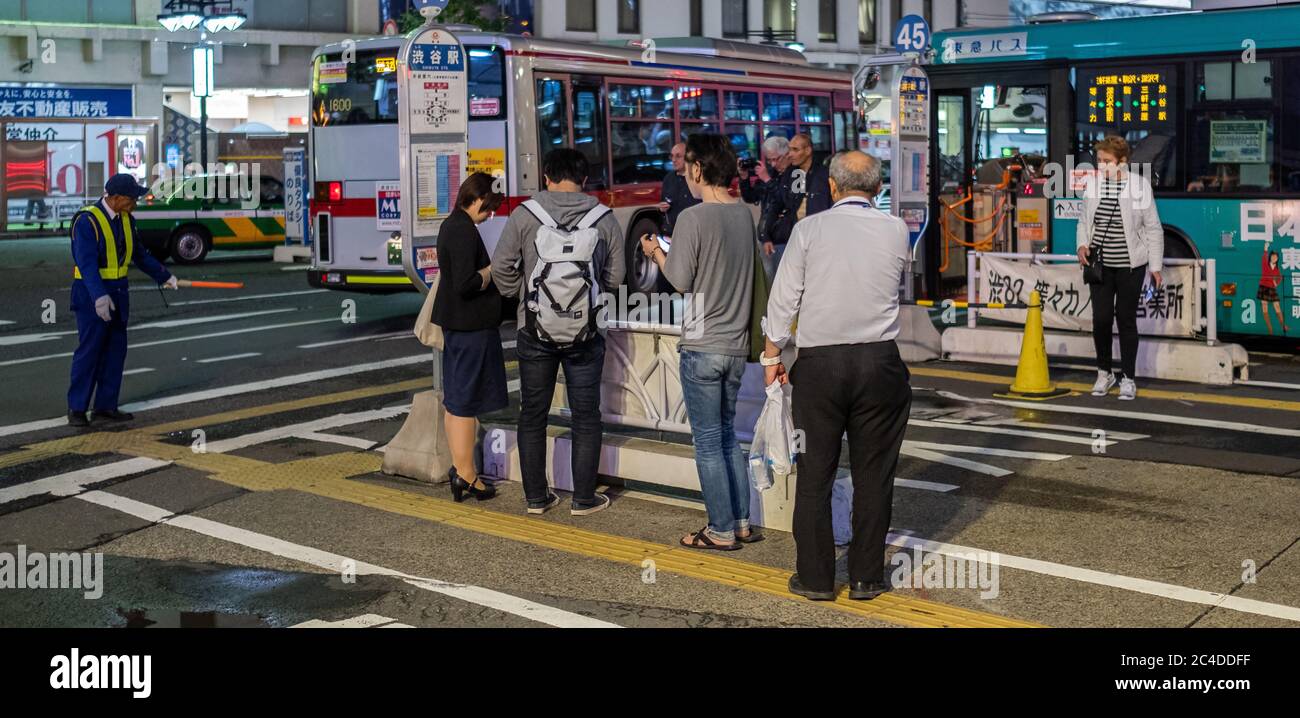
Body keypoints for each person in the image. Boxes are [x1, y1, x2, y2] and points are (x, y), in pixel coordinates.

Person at [763, 151, 911, 601]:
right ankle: (867, 576)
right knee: (874, 474)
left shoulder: (809, 230)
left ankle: (816, 578)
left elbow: (783, 301)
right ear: (879, 187)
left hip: (819, 368)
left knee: (815, 473)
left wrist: (773, 357)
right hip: (880, 364)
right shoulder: (897, 229)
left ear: (831, 186)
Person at [638, 133, 757, 551]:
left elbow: (680, 279)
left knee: (707, 440)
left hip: (703, 343)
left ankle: (720, 530)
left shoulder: (693, 217)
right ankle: (741, 521)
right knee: (727, 436)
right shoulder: (744, 215)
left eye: (688, 164)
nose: (684, 172)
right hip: (736, 345)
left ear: (700, 169)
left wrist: (654, 251)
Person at [492, 149, 626, 516]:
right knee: (586, 415)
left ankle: (537, 497)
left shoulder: (525, 215)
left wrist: (521, 296)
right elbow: (615, 278)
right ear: (584, 179)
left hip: (535, 329)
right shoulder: (604, 218)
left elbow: (502, 267)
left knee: (533, 412)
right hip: (586, 332)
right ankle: (584, 498)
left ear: (547, 176)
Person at [67, 174, 180, 428]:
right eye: (132, 199)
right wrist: (98, 296)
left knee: (115, 352)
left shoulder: (127, 219)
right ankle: (77, 409)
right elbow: (86, 264)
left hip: (119, 293)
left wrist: (165, 276)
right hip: (90, 295)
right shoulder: (86, 221)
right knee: (90, 352)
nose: (135, 203)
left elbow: (139, 255)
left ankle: (105, 407)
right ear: (115, 198)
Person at [432, 172, 509, 503]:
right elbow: (465, 282)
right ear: (476, 199)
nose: (489, 214)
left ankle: (460, 467)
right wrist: (491, 272)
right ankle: (467, 475)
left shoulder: (450, 225)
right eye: (488, 208)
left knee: (455, 399)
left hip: (455, 325)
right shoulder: (463, 230)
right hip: (470, 326)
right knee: (464, 402)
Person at [1076, 136, 1163, 401]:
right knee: (1101, 320)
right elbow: (1083, 221)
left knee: (1126, 320)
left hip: (1130, 266)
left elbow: (1153, 227)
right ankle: (1104, 372)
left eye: (1106, 161)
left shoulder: (1139, 187)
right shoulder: (1092, 185)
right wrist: (1081, 245)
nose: (1101, 166)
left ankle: (1128, 377)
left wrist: (1155, 266)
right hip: (1100, 265)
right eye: (1099, 161)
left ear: (1122, 162)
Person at [757, 133, 831, 277]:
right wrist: (766, 236)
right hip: (796, 241)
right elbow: (780, 204)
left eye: (795, 150)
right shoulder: (796, 175)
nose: (790, 154)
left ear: (808, 151)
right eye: (789, 149)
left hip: (820, 243)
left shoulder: (823, 175)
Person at [658, 142, 701, 235]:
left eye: (678, 156)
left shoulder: (698, 178)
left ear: (688, 157)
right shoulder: (668, 179)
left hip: (695, 232)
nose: (673, 160)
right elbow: (663, 204)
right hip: (673, 234)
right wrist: (662, 209)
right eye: (672, 156)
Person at [738, 135, 791, 207]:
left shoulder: (798, 173)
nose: (772, 164)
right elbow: (750, 198)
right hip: (767, 217)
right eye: (769, 160)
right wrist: (744, 177)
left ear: (787, 155)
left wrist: (767, 180)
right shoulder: (770, 172)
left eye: (775, 159)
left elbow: (789, 203)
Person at [1258, 242, 1290, 336]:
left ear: (1277, 259)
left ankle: (1283, 326)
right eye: (1273, 256)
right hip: (1263, 287)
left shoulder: (1277, 269)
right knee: (1265, 308)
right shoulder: (1265, 264)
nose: (1274, 258)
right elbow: (1264, 257)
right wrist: (1265, 249)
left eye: (1276, 257)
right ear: (1270, 257)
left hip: (1271, 288)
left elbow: (1279, 278)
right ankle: (1270, 330)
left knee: (1277, 306)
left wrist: (1276, 283)